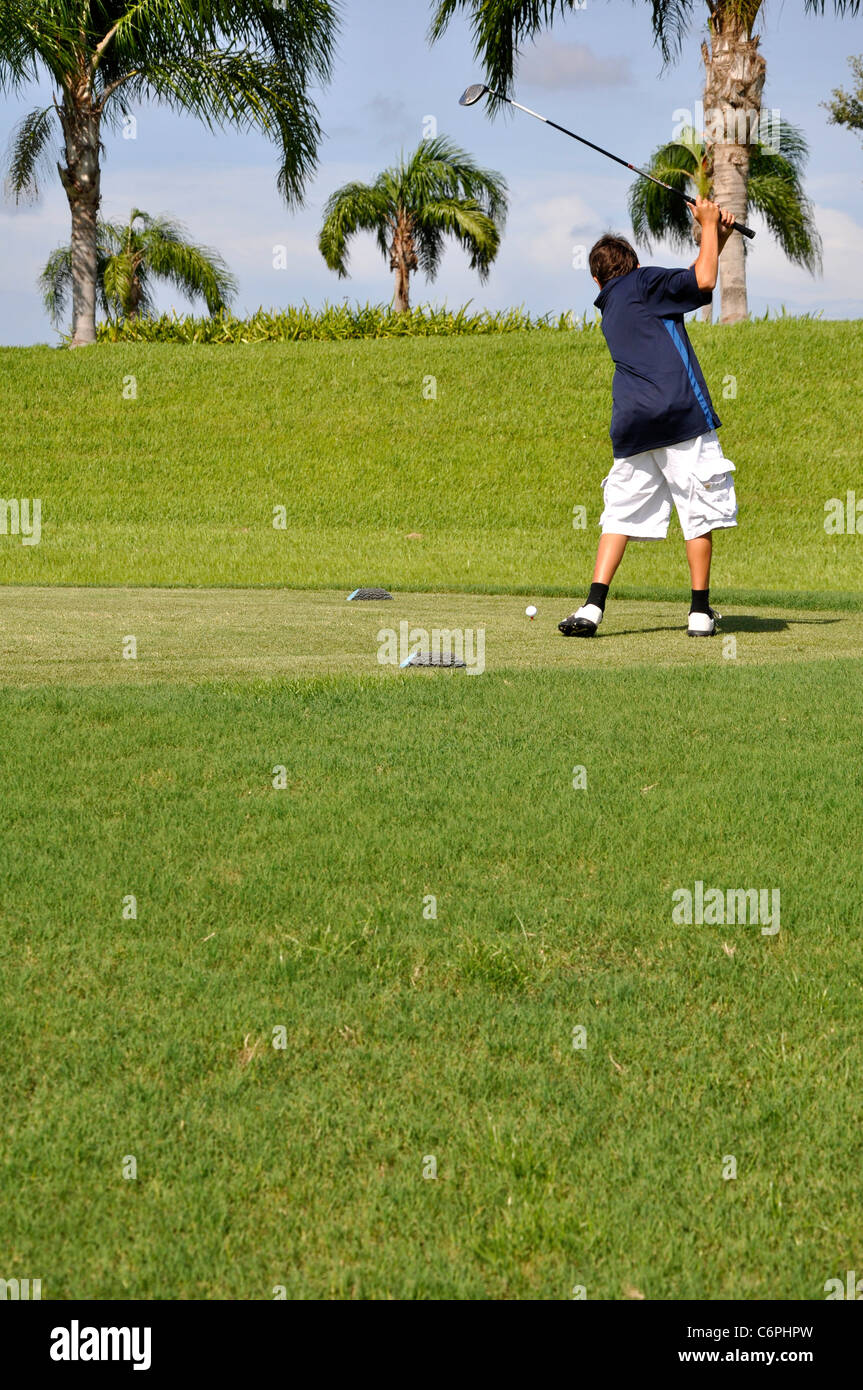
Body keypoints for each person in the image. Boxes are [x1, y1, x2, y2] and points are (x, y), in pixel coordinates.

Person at [559, 198, 738, 638]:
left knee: (619, 514)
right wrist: (708, 223)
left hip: (633, 423)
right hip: (678, 415)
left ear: (596, 278)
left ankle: (591, 609)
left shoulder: (610, 306)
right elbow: (705, 278)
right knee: (696, 512)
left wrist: (718, 233)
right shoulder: (645, 281)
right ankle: (699, 612)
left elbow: (695, 283)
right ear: (634, 263)